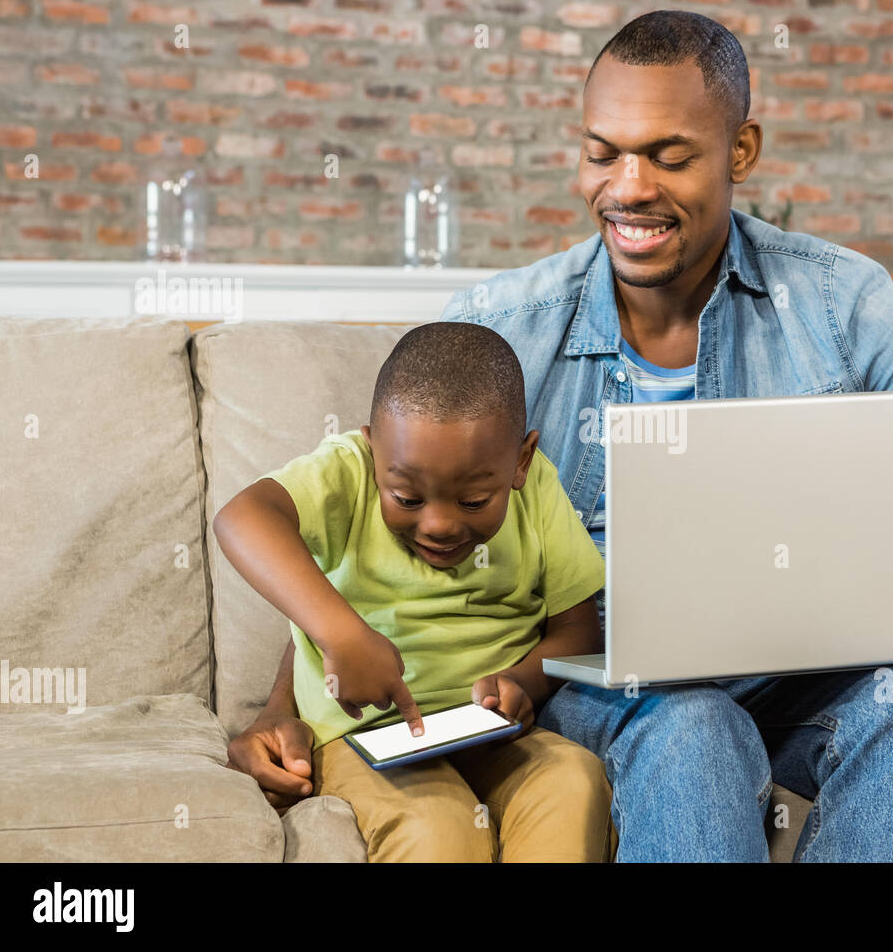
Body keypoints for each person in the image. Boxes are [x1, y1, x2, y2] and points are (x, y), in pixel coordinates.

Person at [230, 10, 893, 862]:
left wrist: (854, 582)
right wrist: (289, 706)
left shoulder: (840, 305)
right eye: (602, 153)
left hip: (803, 673)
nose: (630, 186)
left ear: (741, 152)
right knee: (693, 721)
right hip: (606, 683)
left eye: (669, 155)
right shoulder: (500, 331)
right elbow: (366, 528)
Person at [216, 321, 613, 862]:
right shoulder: (347, 471)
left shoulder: (537, 486)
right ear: (372, 448)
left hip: (486, 731)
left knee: (575, 781)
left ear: (520, 461)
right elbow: (242, 518)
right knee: (438, 829)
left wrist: (522, 681)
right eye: (406, 496)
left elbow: (578, 631)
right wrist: (343, 634)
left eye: (473, 502)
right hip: (366, 738)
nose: (440, 525)